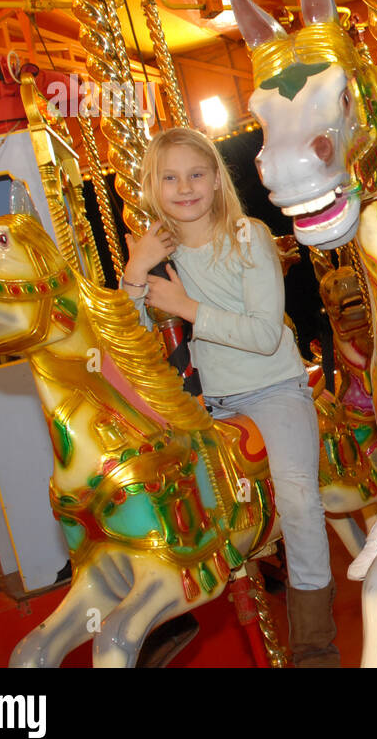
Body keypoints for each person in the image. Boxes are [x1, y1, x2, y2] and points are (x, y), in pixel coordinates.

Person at [122, 127, 339, 667]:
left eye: (197, 174)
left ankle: (315, 648)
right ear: (153, 186)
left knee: (298, 501)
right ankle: (166, 619)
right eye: (169, 178)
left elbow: (265, 334)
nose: (185, 187)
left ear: (217, 180)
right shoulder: (159, 252)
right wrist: (135, 268)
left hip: (272, 387)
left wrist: (184, 305)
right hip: (209, 403)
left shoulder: (249, 237)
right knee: (153, 489)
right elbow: (125, 339)